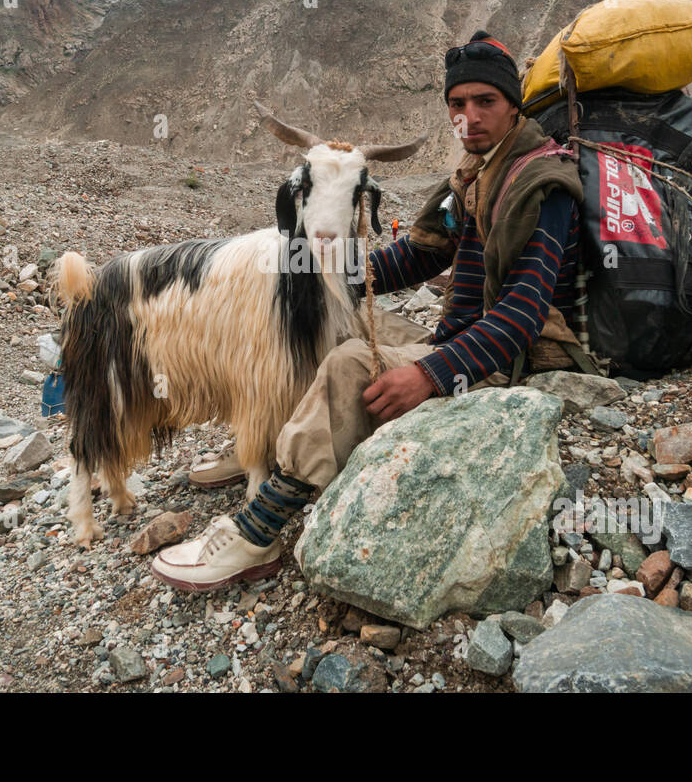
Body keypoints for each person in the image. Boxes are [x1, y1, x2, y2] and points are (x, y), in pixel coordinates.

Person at [153, 30, 588, 590]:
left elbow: (523, 314)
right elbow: (418, 256)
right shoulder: (478, 175)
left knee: (347, 359)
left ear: (514, 105)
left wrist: (429, 374)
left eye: (486, 102)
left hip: (522, 361)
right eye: (458, 104)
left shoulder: (541, 182)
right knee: (334, 319)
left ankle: (259, 530)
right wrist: (321, 276)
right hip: (468, 339)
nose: (469, 117)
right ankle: (267, 442)